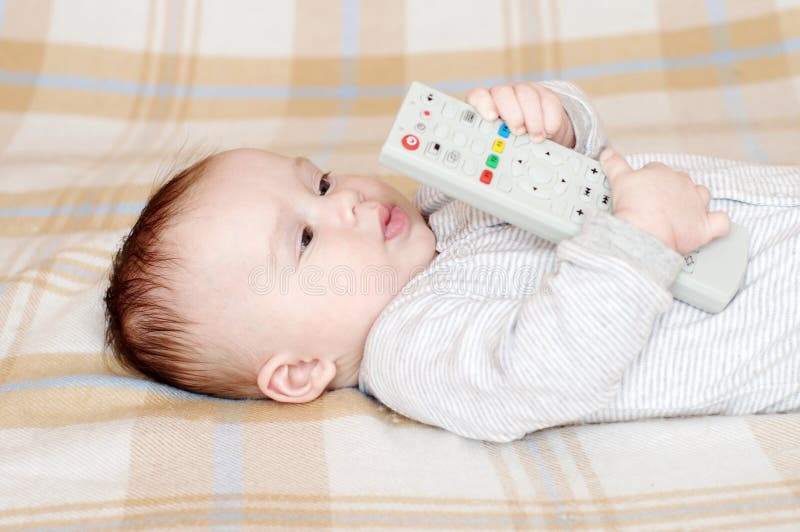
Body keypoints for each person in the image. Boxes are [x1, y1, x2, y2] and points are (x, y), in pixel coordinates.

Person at [104, 81, 800, 442]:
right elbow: (545, 374)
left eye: (317, 181)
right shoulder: (412, 352)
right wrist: (642, 233)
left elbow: (586, 160)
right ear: (299, 370)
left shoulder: (446, 194)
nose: (343, 200)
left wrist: (553, 118)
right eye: (306, 239)